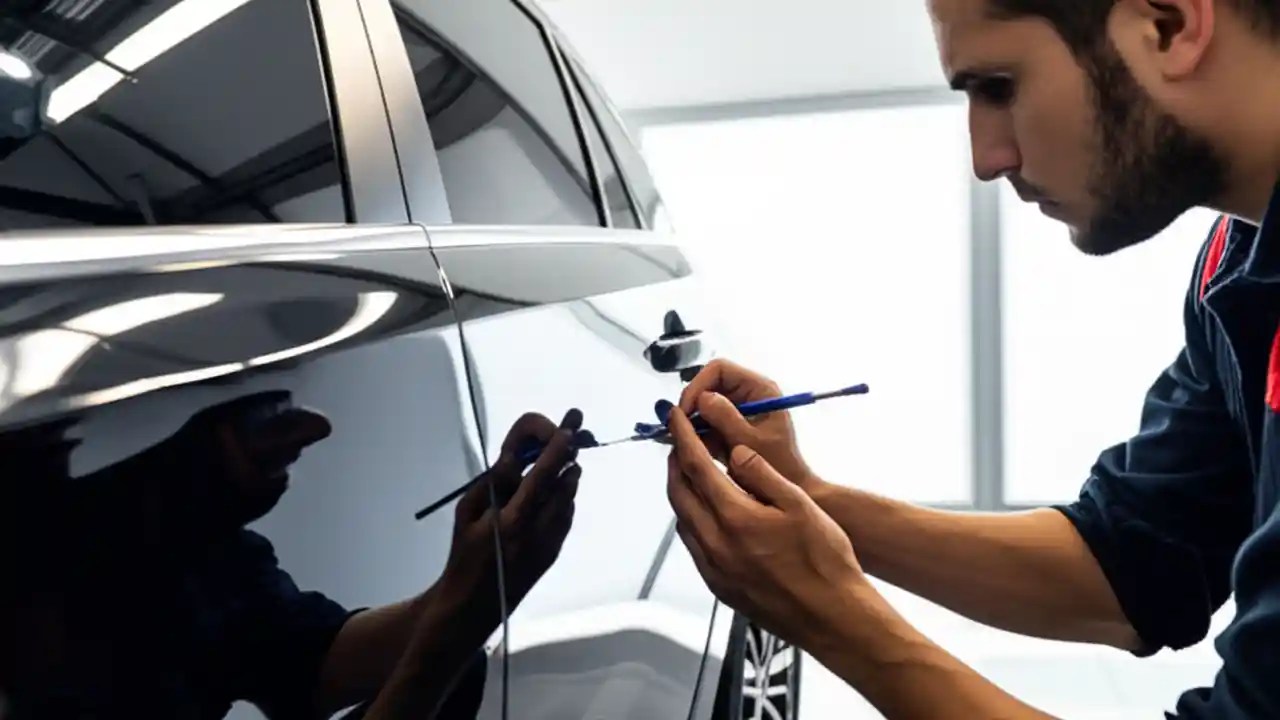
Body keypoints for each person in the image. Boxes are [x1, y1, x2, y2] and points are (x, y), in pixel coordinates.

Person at [664, 0, 1280, 718]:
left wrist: (835, 617)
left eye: (997, 86)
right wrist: (812, 502)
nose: (988, 159)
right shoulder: (1235, 266)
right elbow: (1135, 569)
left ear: (1168, 25)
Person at [1, 392, 583, 719]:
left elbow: (310, 662)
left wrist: (466, 583)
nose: (308, 431)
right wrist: (458, 623)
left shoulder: (186, 561)